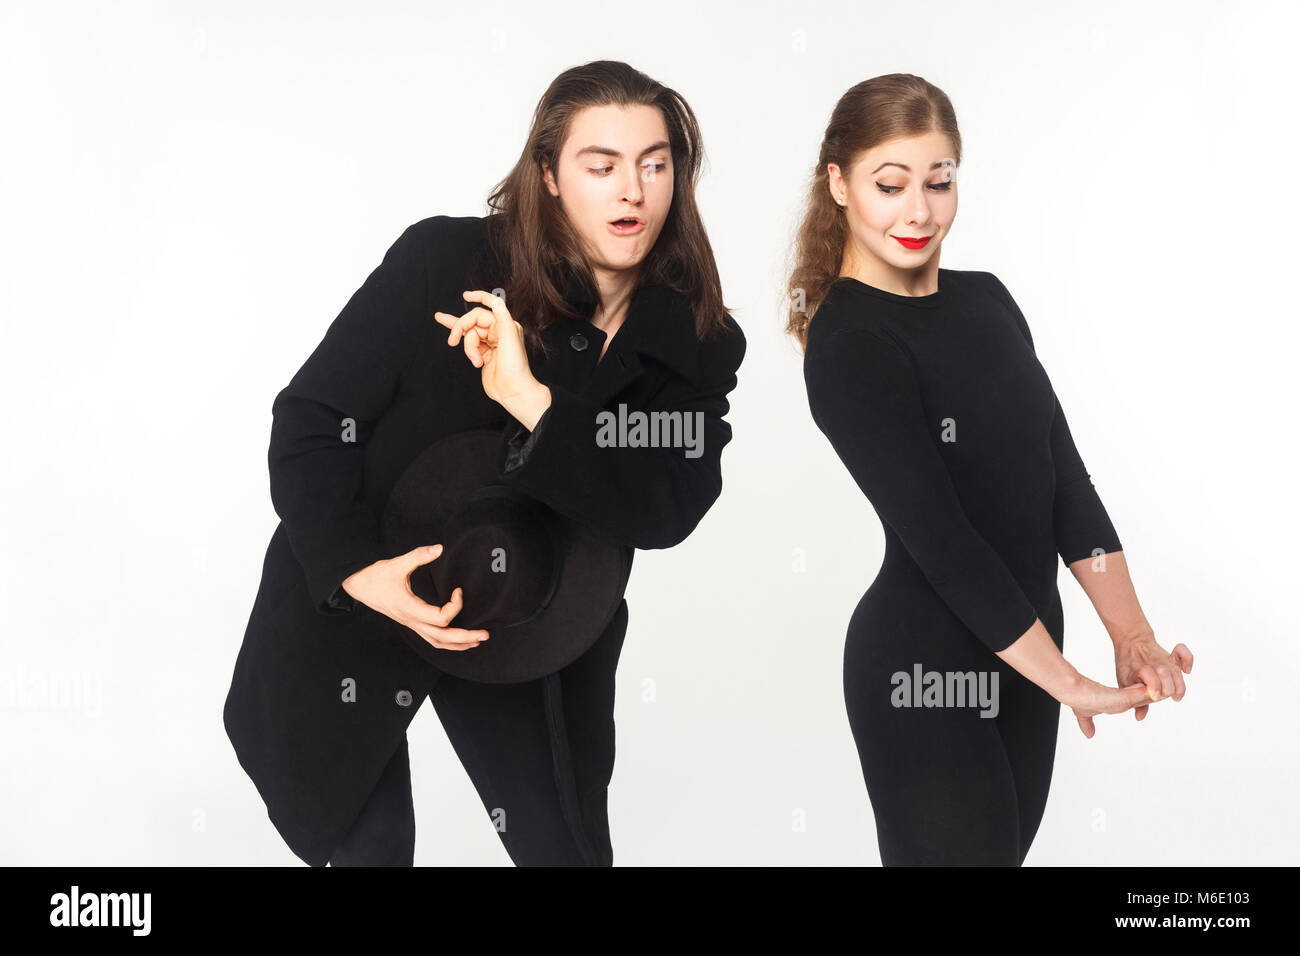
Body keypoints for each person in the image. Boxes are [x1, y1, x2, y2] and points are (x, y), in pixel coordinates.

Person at [223, 59, 745, 867]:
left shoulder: (692, 340)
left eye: (654, 163)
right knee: (371, 846)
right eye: (601, 166)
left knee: (561, 850)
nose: (632, 191)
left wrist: (534, 400)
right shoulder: (446, 261)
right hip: (362, 601)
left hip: (535, 621)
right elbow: (310, 421)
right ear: (549, 175)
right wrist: (359, 572)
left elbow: (667, 505)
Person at [789, 74, 1192, 865]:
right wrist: (1067, 681)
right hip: (922, 670)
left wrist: (1132, 635)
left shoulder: (988, 301)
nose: (919, 211)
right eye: (890, 184)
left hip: (1025, 664)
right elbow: (944, 541)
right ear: (838, 184)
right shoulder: (848, 342)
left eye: (939, 182)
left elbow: (1065, 486)